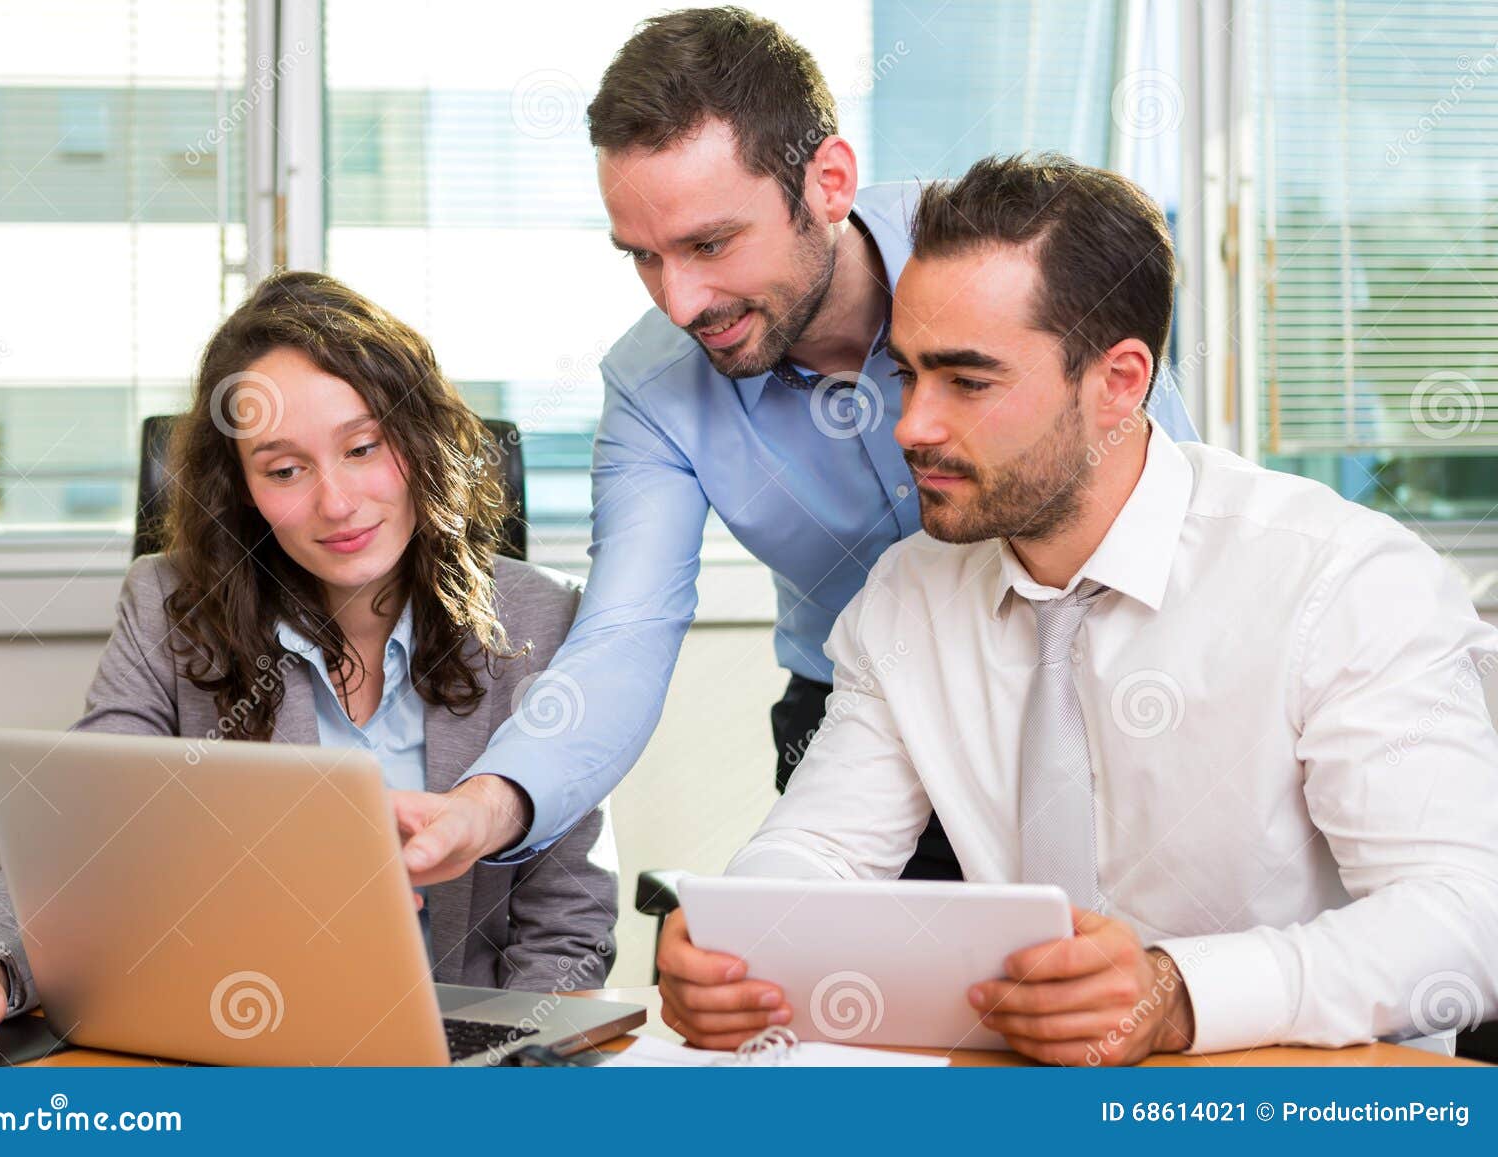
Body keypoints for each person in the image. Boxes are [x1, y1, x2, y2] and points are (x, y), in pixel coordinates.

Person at [653, 155, 1498, 1064]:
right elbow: (818, 848)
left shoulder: (1340, 580)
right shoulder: (910, 594)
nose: (910, 425)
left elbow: (1467, 912)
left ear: (1121, 382)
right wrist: (740, 941)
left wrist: (1180, 992)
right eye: (905, 374)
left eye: (968, 382)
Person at [407, 6, 1201, 885]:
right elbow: (625, 633)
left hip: (1098, 687)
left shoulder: (1002, 268)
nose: (680, 303)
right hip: (857, 717)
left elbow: (1164, 508)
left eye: (711, 243)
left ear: (828, 182)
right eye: (643, 256)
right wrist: (489, 801)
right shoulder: (652, 382)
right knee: (840, 985)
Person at [0, 272, 616, 1067]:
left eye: (363, 447)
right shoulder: (168, 606)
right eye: (284, 469)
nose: (336, 502)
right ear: (241, 489)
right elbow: (78, 842)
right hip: (226, 1051)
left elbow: (570, 921)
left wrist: (518, 1073)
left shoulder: (542, 619)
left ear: (418, 441)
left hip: (455, 1067)